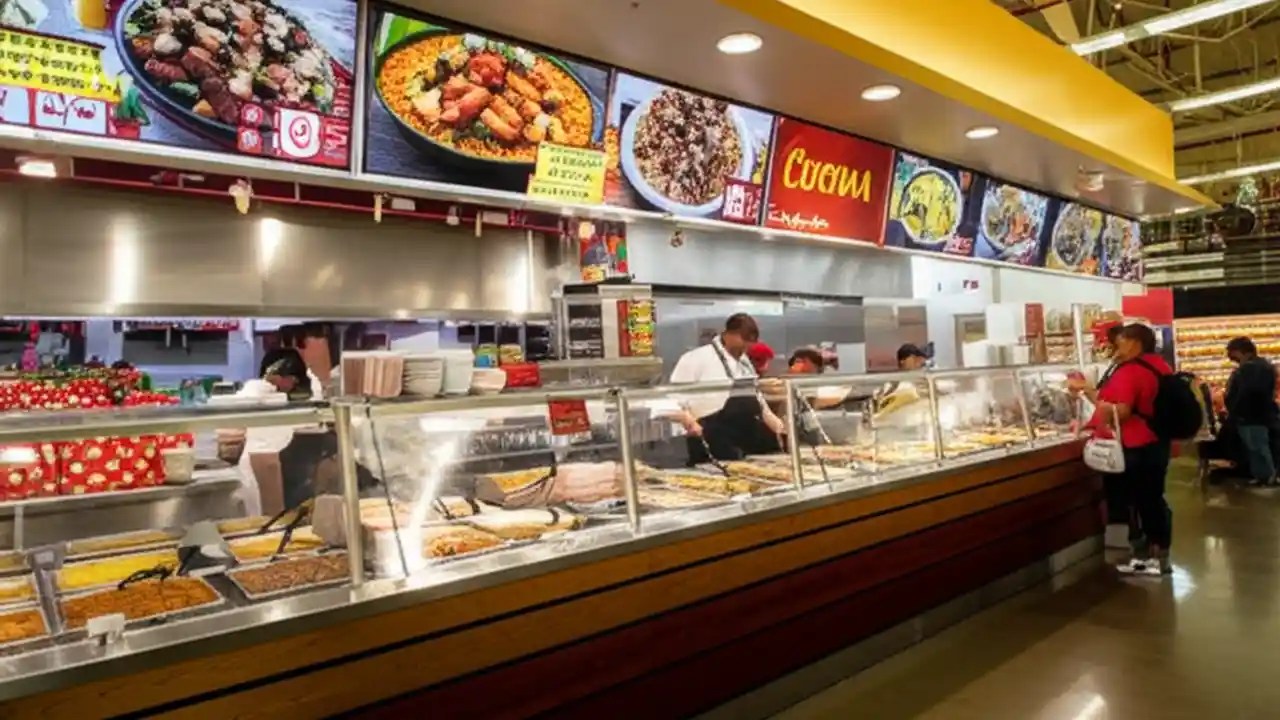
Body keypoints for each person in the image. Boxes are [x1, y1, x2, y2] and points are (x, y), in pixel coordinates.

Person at [1071, 324, 1173, 576]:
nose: (1118, 345)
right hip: (1157, 441)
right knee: (1153, 497)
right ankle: (1160, 554)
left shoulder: (1131, 371)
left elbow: (1121, 411)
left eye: (1122, 340)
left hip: (1133, 445)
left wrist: (1088, 391)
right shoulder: (1159, 365)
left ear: (1136, 343)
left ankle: (1143, 557)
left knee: (1134, 500)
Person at [669, 313, 787, 463]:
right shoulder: (695, 358)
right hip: (709, 435)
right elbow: (673, 400)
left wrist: (776, 424)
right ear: (730, 334)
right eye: (743, 341)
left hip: (744, 436)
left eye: (749, 344)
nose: (745, 348)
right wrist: (689, 422)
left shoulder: (744, 361)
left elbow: (755, 395)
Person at [1225, 336, 1278, 486]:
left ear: (1241, 352)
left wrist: (1236, 411)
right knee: (1257, 447)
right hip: (1256, 414)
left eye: (1232, 352)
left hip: (1251, 415)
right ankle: (1263, 476)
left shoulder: (1251, 368)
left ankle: (1267, 477)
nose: (1230, 357)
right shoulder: (1260, 365)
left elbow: (1248, 392)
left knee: (1258, 447)